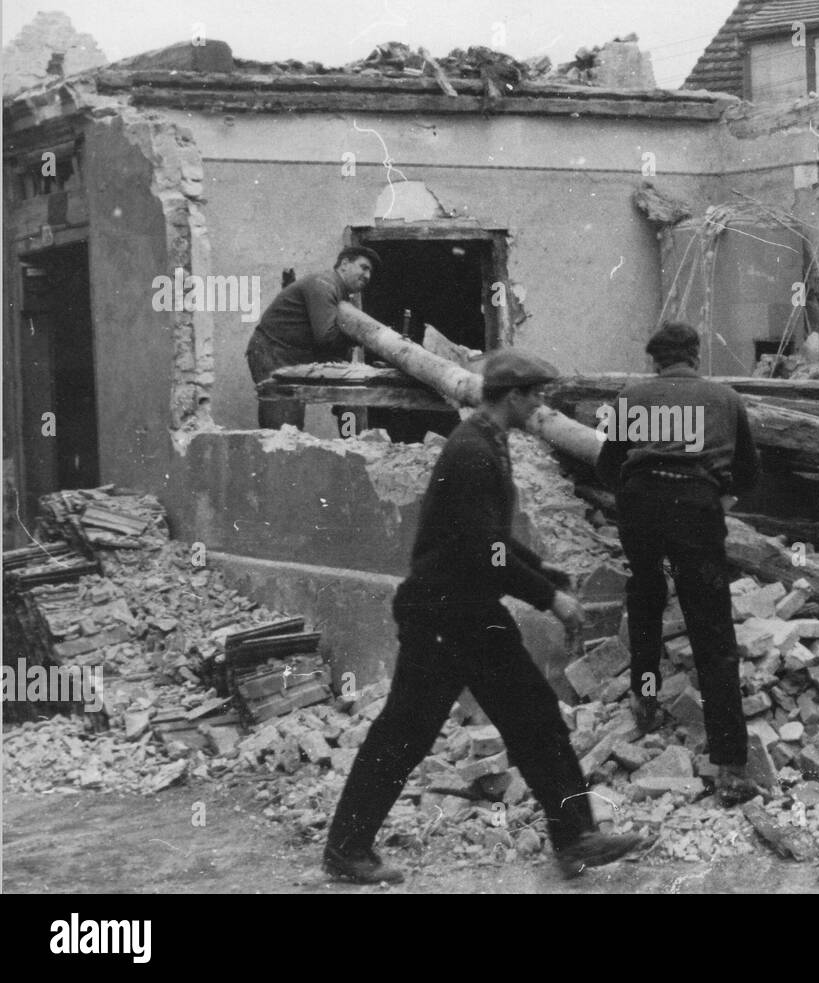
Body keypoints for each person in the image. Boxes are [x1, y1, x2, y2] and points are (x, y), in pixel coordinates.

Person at [322, 348, 642, 884]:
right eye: (535, 396)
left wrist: (545, 571)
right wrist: (549, 597)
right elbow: (481, 548)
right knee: (406, 732)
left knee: (535, 718)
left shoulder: (488, 444)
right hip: (445, 616)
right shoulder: (473, 452)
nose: (541, 406)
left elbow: (494, 540)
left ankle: (575, 838)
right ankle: (346, 849)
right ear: (512, 397)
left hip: (467, 613)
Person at [595, 322, 763, 806]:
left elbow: (607, 466)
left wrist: (632, 493)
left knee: (646, 601)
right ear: (695, 355)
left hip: (641, 504)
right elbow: (749, 474)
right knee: (712, 631)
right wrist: (715, 493)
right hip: (696, 507)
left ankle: (644, 701)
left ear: (655, 360)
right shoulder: (726, 399)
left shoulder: (632, 396)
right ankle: (730, 766)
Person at [245, 246, 379, 430]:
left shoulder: (341, 295)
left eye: (370, 271)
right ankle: (282, 456)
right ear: (345, 264)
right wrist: (362, 337)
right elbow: (326, 337)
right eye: (364, 267)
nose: (367, 276)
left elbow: (333, 346)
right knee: (285, 425)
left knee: (350, 392)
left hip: (296, 354)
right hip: (273, 352)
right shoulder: (324, 284)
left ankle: (352, 441)